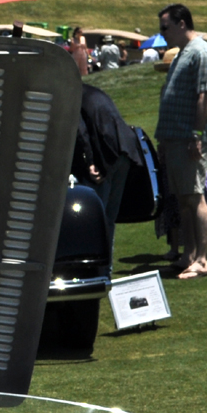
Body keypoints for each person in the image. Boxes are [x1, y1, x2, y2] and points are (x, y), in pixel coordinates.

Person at [154, 4, 207, 280]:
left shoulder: (202, 52)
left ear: (181, 24)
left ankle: (202, 260)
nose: (162, 34)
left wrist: (197, 135)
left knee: (195, 196)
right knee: (183, 200)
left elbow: (204, 96)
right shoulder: (182, 54)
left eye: (165, 28)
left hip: (188, 138)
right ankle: (188, 255)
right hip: (173, 137)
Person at [73, 84, 144, 278]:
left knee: (95, 219)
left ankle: (94, 271)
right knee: (107, 220)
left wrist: (89, 162)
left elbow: (80, 131)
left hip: (106, 153)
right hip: (124, 150)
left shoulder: (69, 92)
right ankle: (104, 271)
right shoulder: (90, 91)